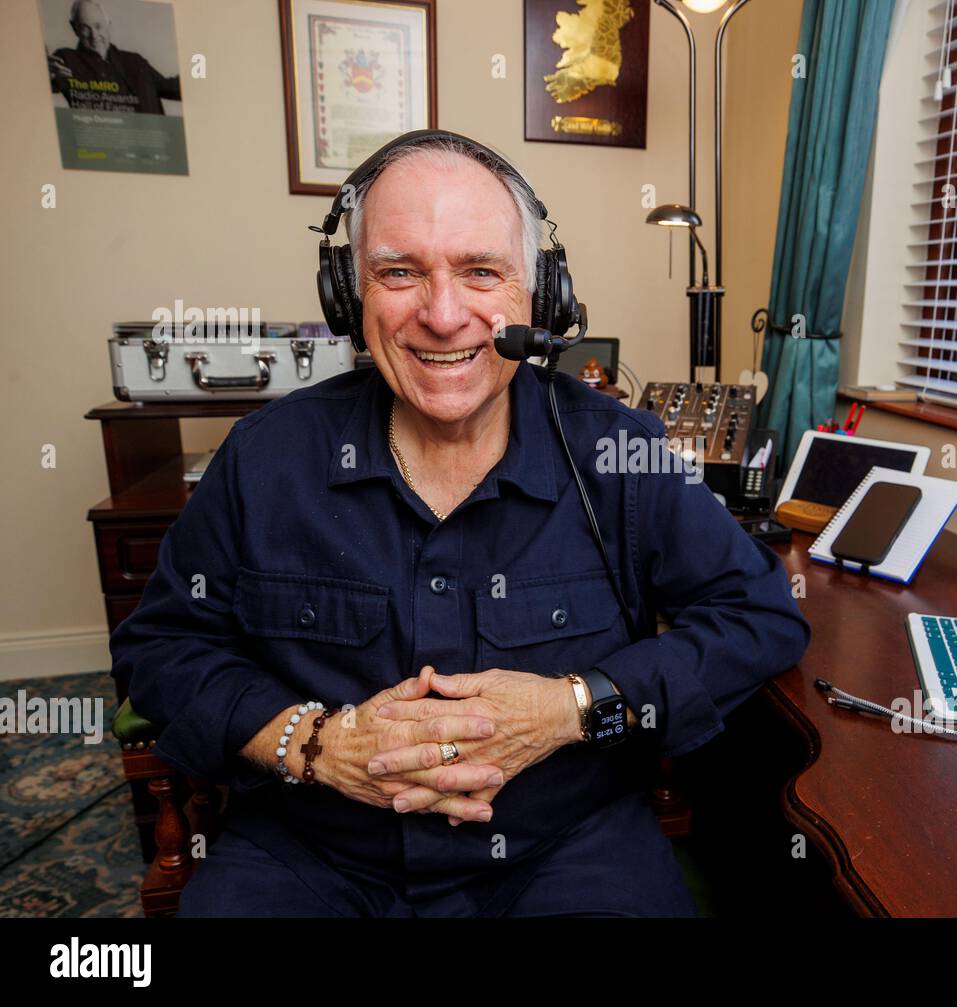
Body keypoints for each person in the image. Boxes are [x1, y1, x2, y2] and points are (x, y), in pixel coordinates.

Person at [111, 132, 811, 917]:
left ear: (538, 298)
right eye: (401, 272)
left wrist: (574, 705)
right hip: (308, 852)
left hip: (566, 850)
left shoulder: (621, 453)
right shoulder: (261, 459)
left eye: (481, 271)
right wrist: (311, 742)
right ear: (350, 297)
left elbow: (758, 617)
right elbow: (161, 649)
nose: (443, 316)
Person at [48, 0, 181, 114]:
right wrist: (45, 73)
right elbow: (46, 85)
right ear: (74, 28)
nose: (94, 35)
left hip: (149, 138)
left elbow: (172, 88)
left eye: (98, 26)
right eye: (85, 28)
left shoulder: (135, 62)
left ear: (108, 26)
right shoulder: (66, 59)